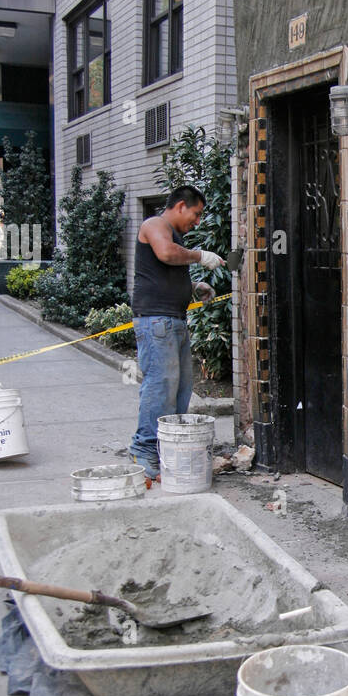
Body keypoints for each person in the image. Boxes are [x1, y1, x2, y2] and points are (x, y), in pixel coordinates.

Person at [128, 186, 224, 481]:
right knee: (160, 387)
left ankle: (166, 449)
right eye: (195, 214)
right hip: (157, 323)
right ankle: (143, 453)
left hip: (172, 321)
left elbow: (166, 269)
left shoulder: (173, 235)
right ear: (181, 205)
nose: (197, 222)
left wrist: (194, 286)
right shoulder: (155, 225)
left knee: (181, 388)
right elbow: (167, 254)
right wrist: (200, 256)